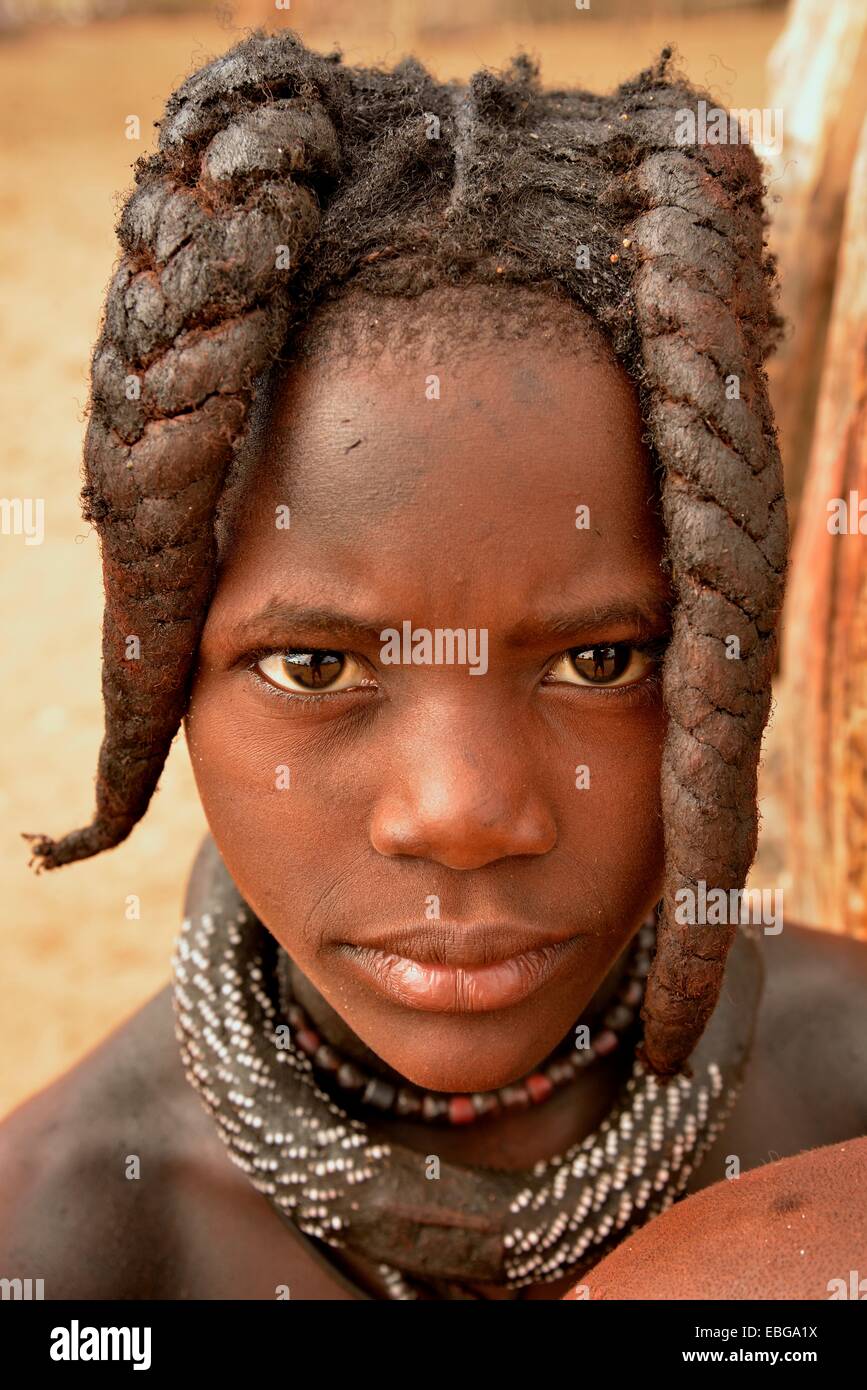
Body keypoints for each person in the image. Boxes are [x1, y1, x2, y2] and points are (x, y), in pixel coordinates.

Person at [1, 31, 865, 1301]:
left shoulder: (847, 1100)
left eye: (600, 657)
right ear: (168, 673)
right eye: (312, 664)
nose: (462, 813)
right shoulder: (64, 1256)